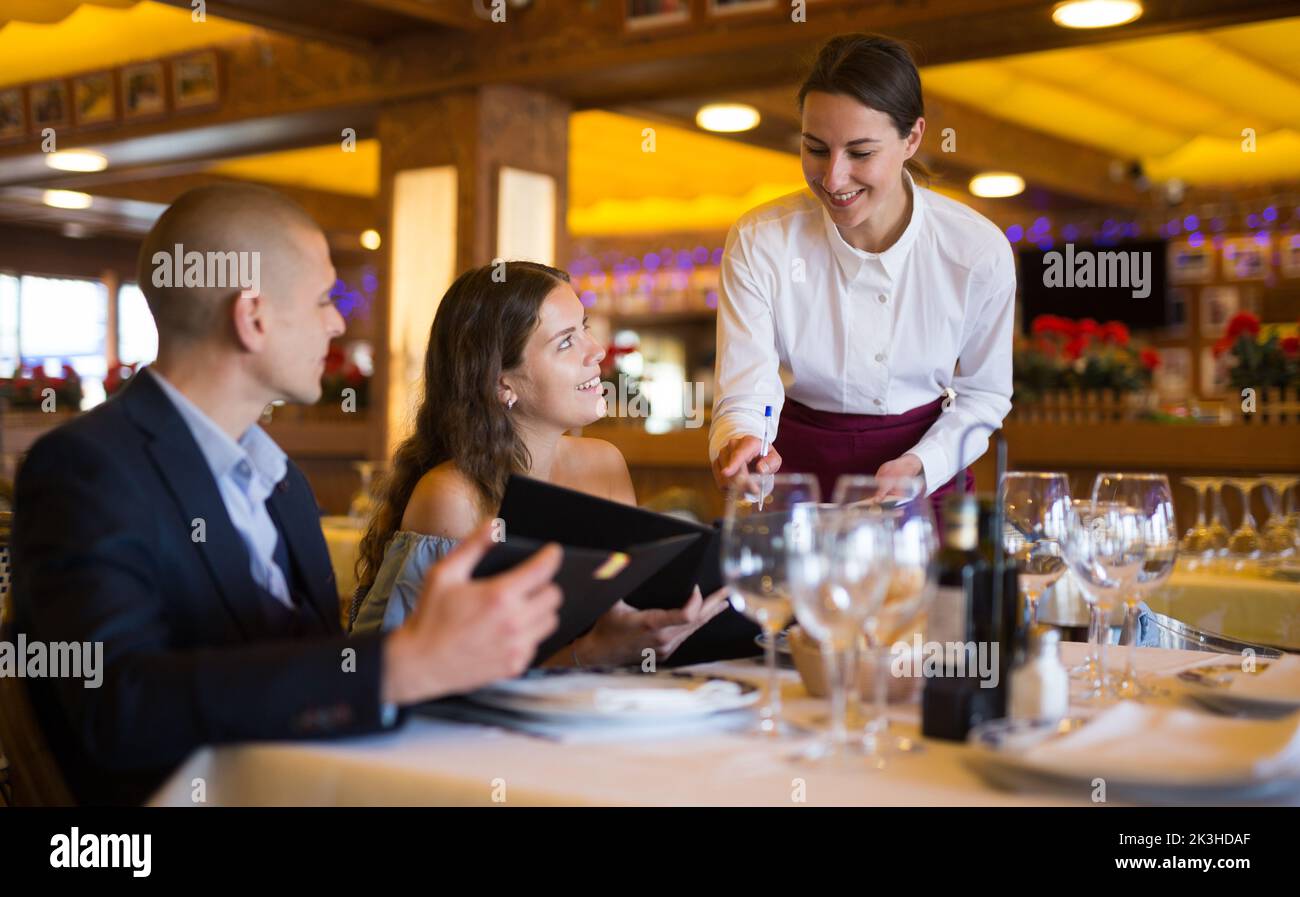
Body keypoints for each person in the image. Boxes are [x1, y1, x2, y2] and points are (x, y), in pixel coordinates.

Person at [9, 185, 562, 805]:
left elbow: (324, 683)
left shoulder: (281, 482)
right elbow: (118, 705)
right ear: (253, 317)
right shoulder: (89, 467)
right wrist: (400, 663)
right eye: (325, 299)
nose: (338, 321)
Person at [351, 261, 734, 665]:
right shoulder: (452, 495)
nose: (597, 350)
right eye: (566, 342)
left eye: (584, 326)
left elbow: (627, 617)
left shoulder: (605, 465)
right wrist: (588, 654)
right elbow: (421, 670)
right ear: (502, 382)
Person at [710, 33, 1016, 516]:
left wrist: (923, 463)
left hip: (924, 478)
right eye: (815, 148)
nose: (833, 179)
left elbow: (985, 394)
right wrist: (742, 439)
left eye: (860, 152)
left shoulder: (977, 250)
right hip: (796, 479)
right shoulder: (760, 240)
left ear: (911, 138)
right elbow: (750, 385)